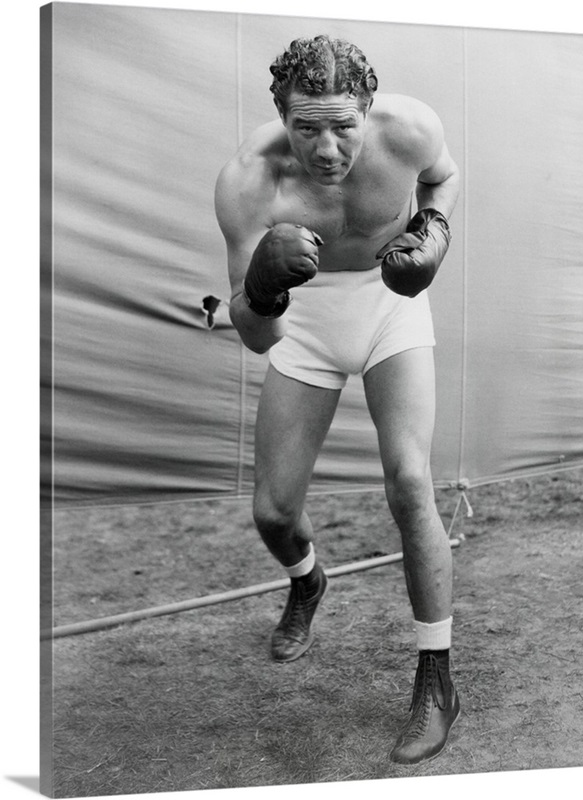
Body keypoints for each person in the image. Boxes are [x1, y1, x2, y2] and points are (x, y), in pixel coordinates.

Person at [215, 34, 460, 766]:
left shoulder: (412, 130)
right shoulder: (247, 184)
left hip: (390, 308)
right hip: (304, 319)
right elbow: (257, 335)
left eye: (342, 125)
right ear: (280, 115)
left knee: (411, 482)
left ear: (369, 109)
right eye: (307, 126)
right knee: (274, 512)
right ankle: (307, 582)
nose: (326, 148)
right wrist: (261, 286)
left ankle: (438, 680)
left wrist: (434, 232)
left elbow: (444, 180)